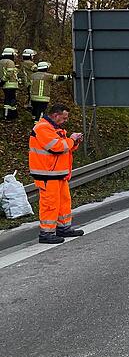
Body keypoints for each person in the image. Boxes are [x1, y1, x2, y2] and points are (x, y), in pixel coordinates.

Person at [29, 103, 84, 244]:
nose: (66, 121)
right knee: (50, 204)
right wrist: (72, 140)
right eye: (64, 118)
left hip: (58, 174)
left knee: (63, 203)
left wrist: (74, 142)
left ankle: (63, 228)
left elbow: (65, 148)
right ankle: (46, 233)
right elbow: (57, 147)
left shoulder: (55, 128)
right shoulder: (42, 128)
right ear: (56, 115)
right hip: (47, 175)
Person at [1, 47, 19, 120]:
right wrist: (3, 80)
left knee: (9, 99)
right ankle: (9, 115)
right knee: (10, 100)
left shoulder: (1, 61)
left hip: (5, 85)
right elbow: (10, 73)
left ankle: (11, 114)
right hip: (10, 84)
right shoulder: (10, 62)